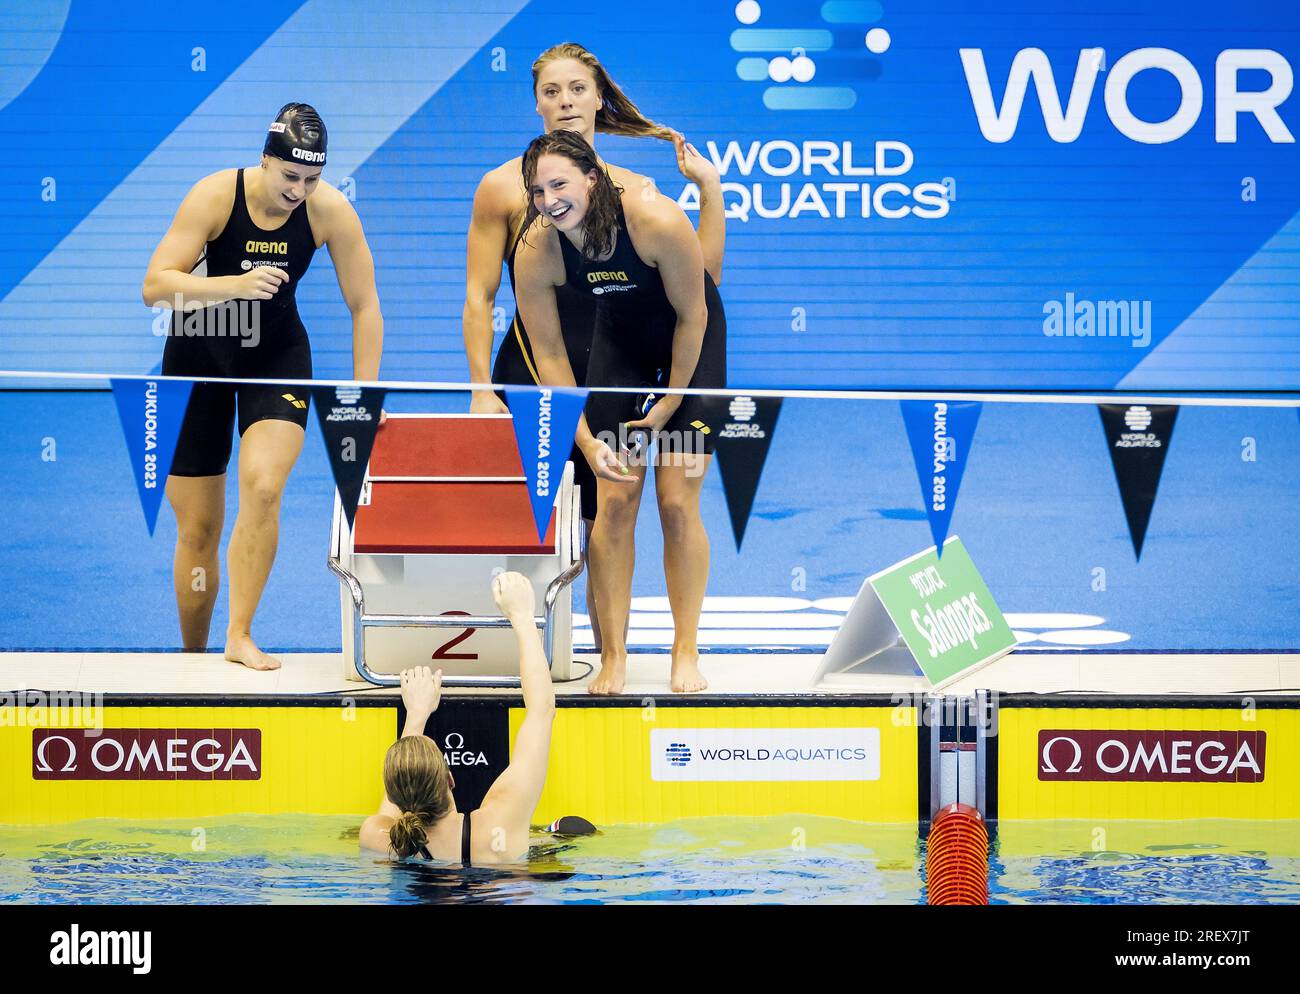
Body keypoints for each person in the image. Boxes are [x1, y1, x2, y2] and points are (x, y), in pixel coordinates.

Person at [462, 41, 725, 653]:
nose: (566, 102)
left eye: (577, 88)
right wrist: (480, 386)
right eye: (551, 92)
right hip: (539, 367)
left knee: (621, 510)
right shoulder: (504, 190)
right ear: (536, 105)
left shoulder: (638, 195)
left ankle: (609, 655)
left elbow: (700, 293)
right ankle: (532, 652)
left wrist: (710, 194)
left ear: (599, 96)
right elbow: (479, 296)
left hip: (618, 363)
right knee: (542, 528)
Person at [142, 103, 383, 671]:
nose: (299, 190)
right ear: (265, 161)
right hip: (198, 351)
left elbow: (365, 305)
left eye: (312, 179)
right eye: (290, 177)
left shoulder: (329, 211)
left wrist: (363, 396)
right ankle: (193, 656)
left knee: (265, 487)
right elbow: (155, 286)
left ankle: (240, 636)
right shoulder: (216, 195)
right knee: (198, 528)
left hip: (276, 355)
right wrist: (237, 285)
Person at [514, 130, 727, 696]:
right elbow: (552, 355)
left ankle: (685, 648)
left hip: (692, 349)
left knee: (677, 503)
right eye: (536, 191)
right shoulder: (537, 250)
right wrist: (583, 441)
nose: (548, 200)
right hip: (621, 353)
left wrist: (673, 401)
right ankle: (614, 654)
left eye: (559, 184)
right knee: (613, 503)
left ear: (592, 178)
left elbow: (694, 313)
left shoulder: (653, 219)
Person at [360, 572, 555, 864]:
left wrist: (415, 715)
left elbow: (391, 806)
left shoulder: (378, 838)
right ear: (450, 779)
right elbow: (541, 711)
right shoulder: (498, 825)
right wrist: (522, 616)